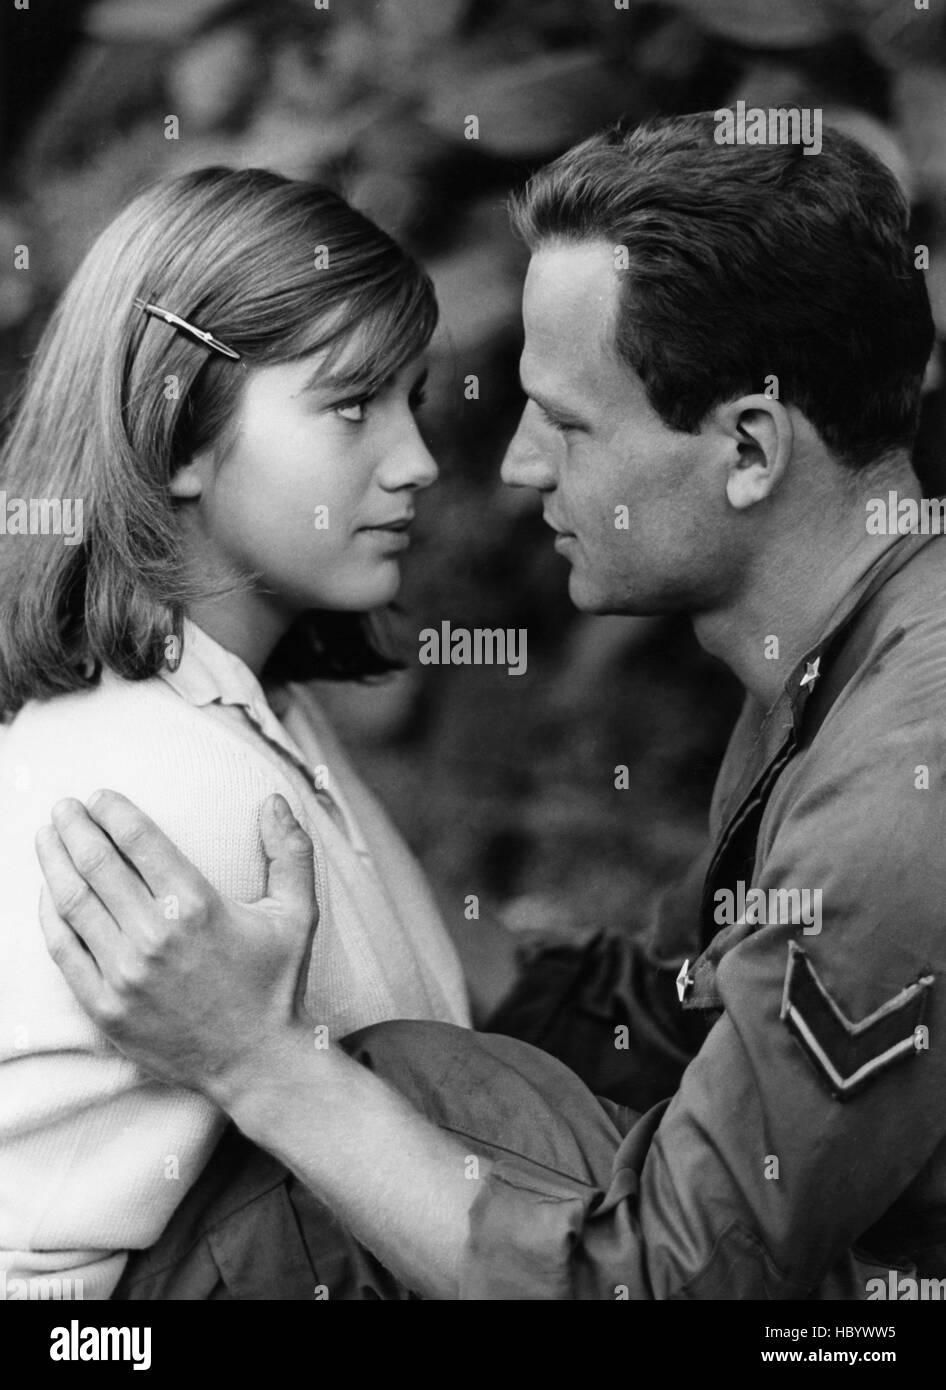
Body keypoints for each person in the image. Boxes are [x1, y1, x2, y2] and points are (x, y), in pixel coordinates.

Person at [35, 113, 946, 1300]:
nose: (512, 465)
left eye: (566, 422)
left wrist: (258, 1063)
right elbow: (672, 1010)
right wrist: (374, 888)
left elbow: (660, 1287)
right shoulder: (848, 659)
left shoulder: (898, 784)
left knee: (406, 1098)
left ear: (750, 451)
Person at [0, 166, 473, 1301]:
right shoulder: (131, 789)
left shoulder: (261, 714)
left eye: (412, 399)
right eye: (354, 404)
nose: (416, 462)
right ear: (177, 432)